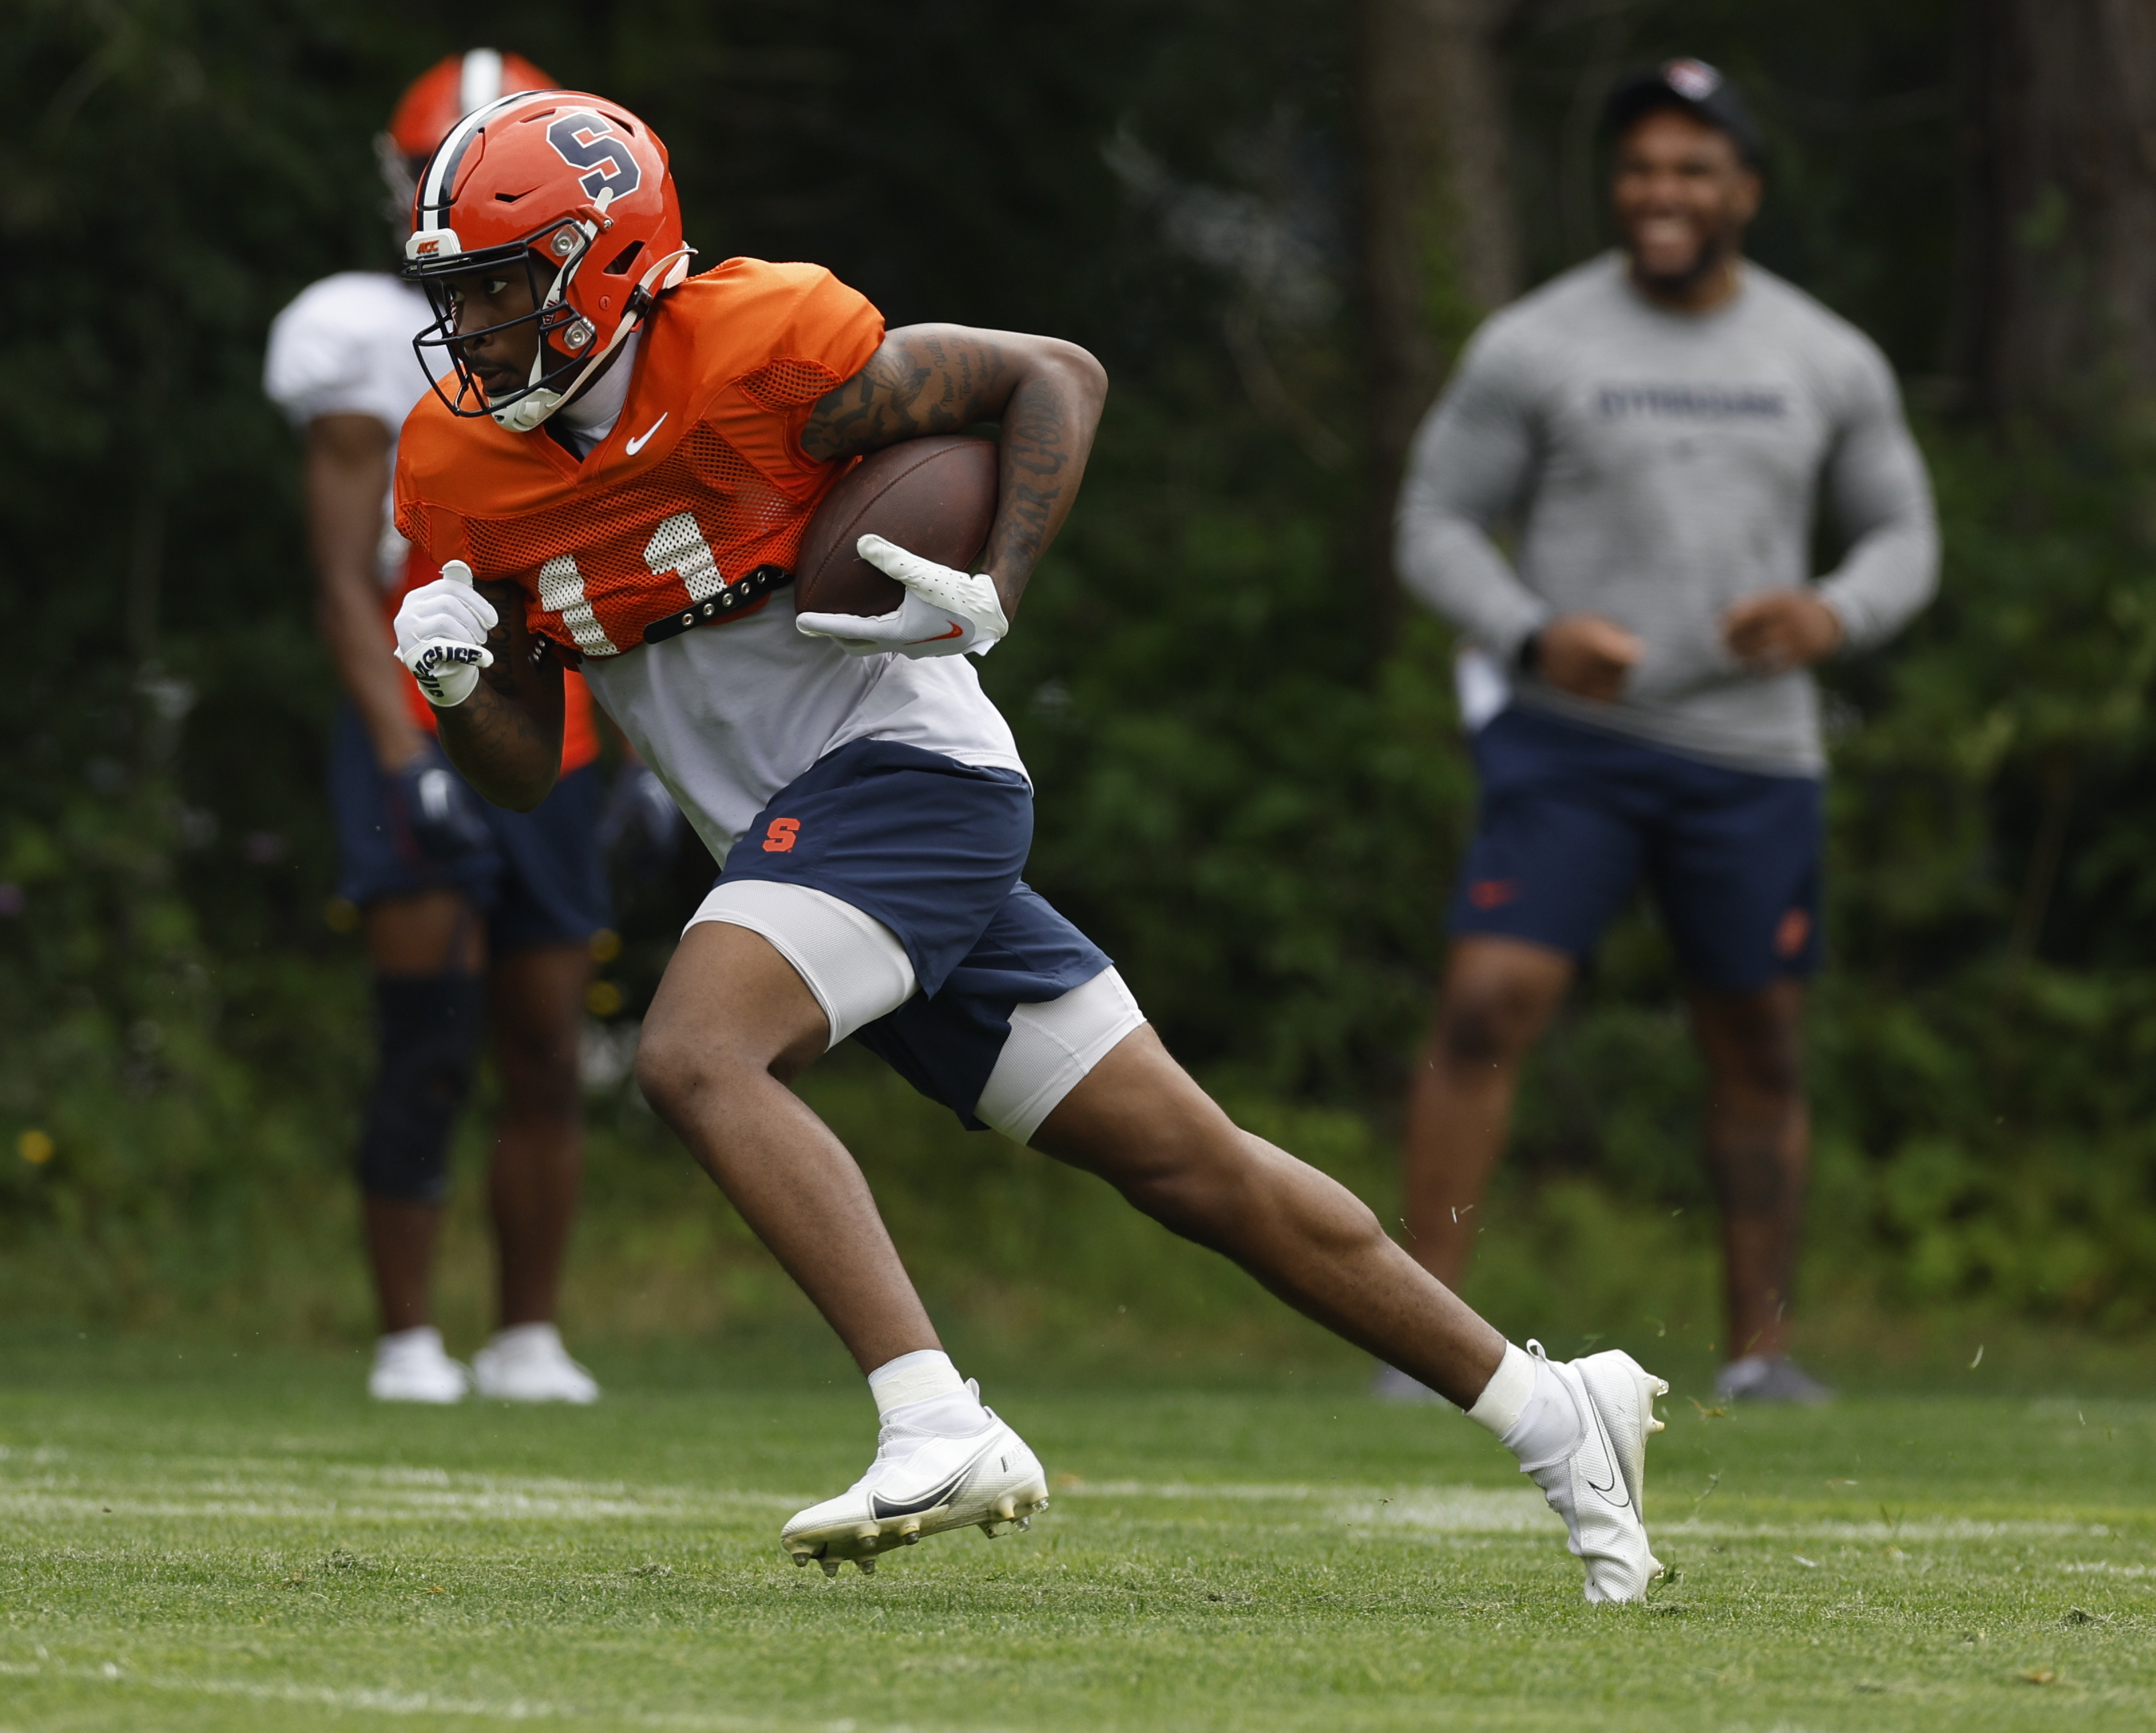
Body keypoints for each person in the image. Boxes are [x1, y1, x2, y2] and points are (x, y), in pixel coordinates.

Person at [383, 84, 1669, 1599]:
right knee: (1198, 1169)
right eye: (454, 297)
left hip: (909, 780)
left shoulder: (762, 346)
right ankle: (1554, 1411)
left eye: (499, 290)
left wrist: (996, 580)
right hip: (803, 850)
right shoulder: (461, 469)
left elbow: (1054, 376)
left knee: (692, 1054)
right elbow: (526, 773)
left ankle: (934, 1416)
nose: (470, 330)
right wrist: (461, 684)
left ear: (608, 265)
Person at [1391, 59, 1939, 1405]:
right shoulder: (1535, 342)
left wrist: (1830, 613)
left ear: (1744, 189)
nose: (1662, 192)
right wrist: (1532, 634)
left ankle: (1757, 1356)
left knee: (1756, 1039)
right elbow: (1433, 521)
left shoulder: (1824, 356)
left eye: (1694, 168)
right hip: (1569, 741)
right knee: (1484, 1006)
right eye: (1640, 166)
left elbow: (1904, 535)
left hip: (1751, 756)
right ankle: (1417, 1341)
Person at [263, 51, 609, 1405]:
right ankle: (408, 1334)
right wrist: (408, 755)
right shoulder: (357, 331)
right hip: (418, 711)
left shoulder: (608, 337)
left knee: (543, 1037)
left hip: (563, 725)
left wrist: (633, 748)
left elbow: (619, 570)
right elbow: (346, 581)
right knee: (426, 1040)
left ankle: (528, 1333)